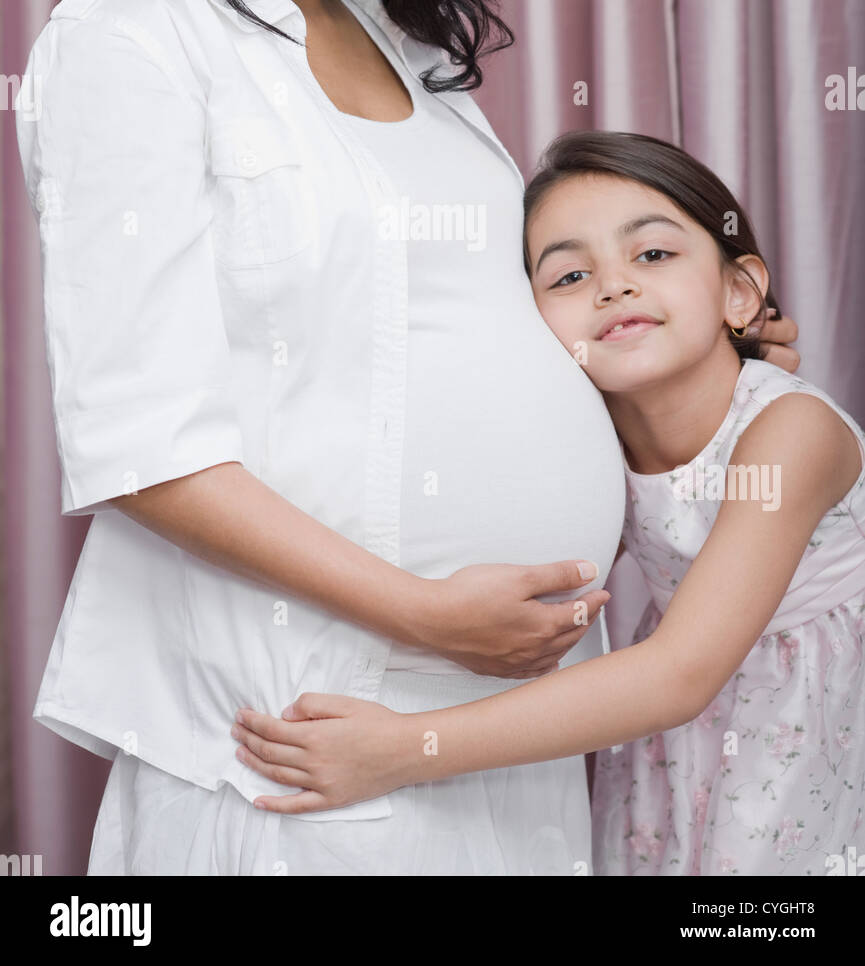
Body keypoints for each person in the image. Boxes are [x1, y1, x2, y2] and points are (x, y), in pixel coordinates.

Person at [17, 0, 798, 877]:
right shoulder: (136, 39)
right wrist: (426, 611)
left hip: (500, 736)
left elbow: (485, 333)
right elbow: (142, 446)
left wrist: (714, 377)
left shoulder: (400, 47)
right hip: (309, 733)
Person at [228, 131, 863, 878]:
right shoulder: (588, 425)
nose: (613, 286)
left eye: (652, 255)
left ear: (737, 290)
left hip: (793, 720)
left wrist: (406, 749)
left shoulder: (792, 432)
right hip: (671, 744)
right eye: (567, 276)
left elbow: (678, 675)